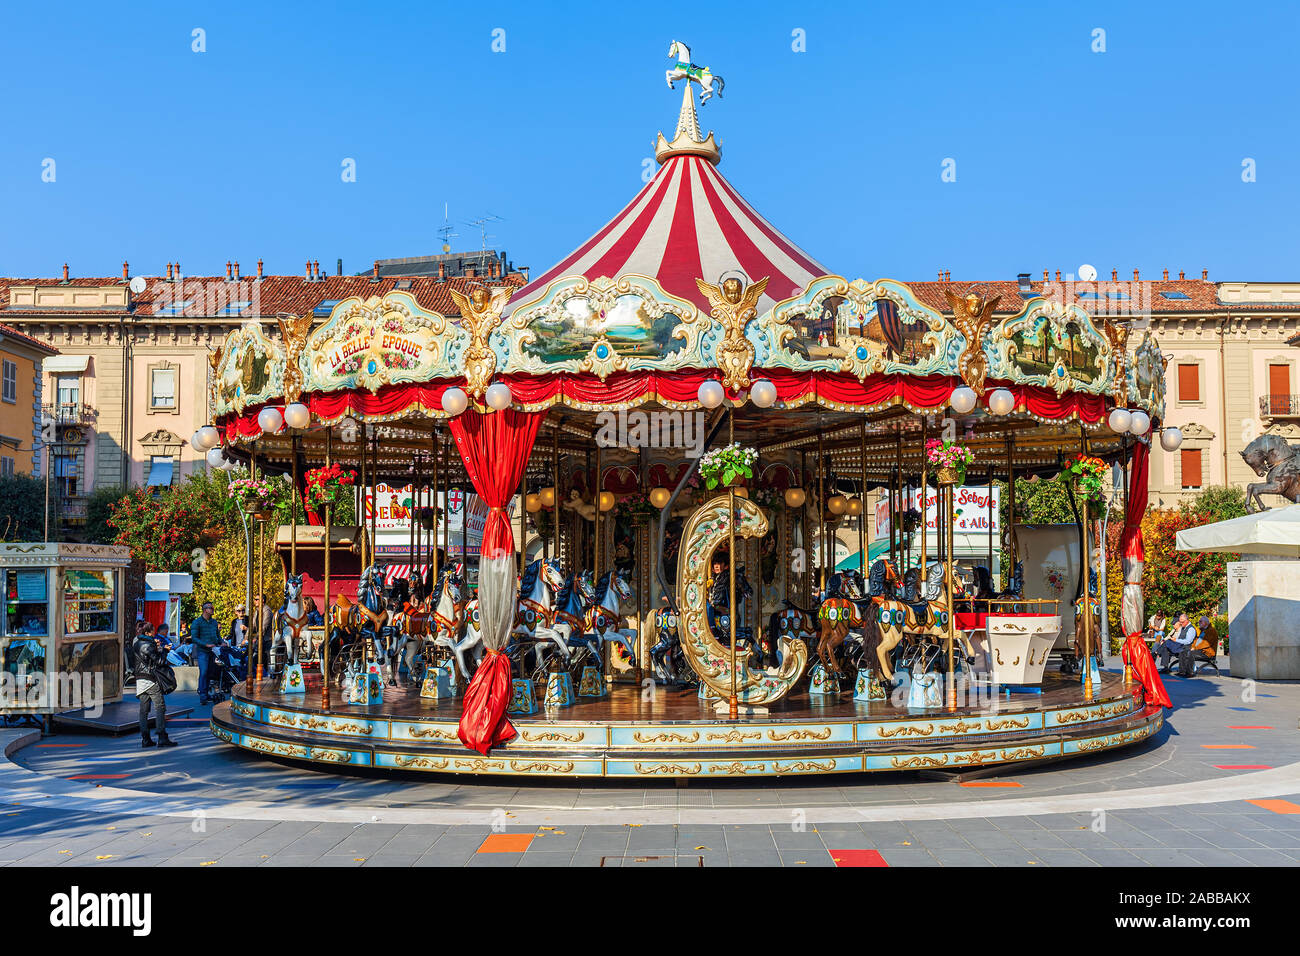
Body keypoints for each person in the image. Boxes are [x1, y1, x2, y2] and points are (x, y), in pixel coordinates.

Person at [133, 623, 176, 748]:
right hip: (150, 679)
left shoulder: (137, 643)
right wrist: (165, 651)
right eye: (152, 631)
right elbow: (159, 661)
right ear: (148, 633)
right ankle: (162, 737)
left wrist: (158, 647)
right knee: (160, 707)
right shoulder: (148, 645)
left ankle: (145, 739)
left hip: (140, 680)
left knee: (143, 710)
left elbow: (147, 658)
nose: (154, 633)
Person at [191, 601, 222, 704]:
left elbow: (217, 635)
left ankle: (206, 693)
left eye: (213, 608)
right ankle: (202, 694)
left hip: (213, 651)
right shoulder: (197, 622)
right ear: (205, 610)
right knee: (203, 672)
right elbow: (194, 638)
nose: (213, 610)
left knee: (209, 673)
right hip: (202, 651)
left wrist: (221, 642)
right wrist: (206, 644)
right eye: (211, 608)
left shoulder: (214, 622)